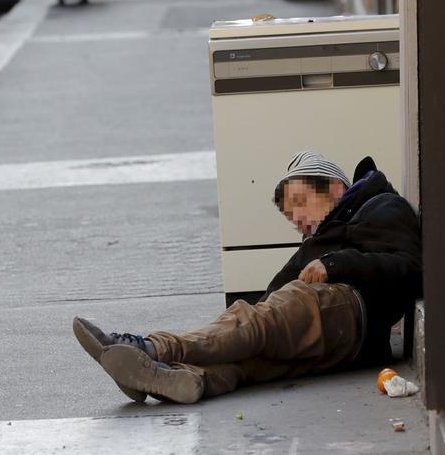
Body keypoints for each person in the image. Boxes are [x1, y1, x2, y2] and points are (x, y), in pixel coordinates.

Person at [73, 150, 422, 403]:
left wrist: (336, 263)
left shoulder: (379, 205)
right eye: (292, 218)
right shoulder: (324, 237)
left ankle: (150, 348)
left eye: (301, 201)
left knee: (253, 323)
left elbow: (411, 269)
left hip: (348, 308)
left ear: (334, 187)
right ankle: (184, 379)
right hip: (346, 346)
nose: (299, 220)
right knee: (253, 360)